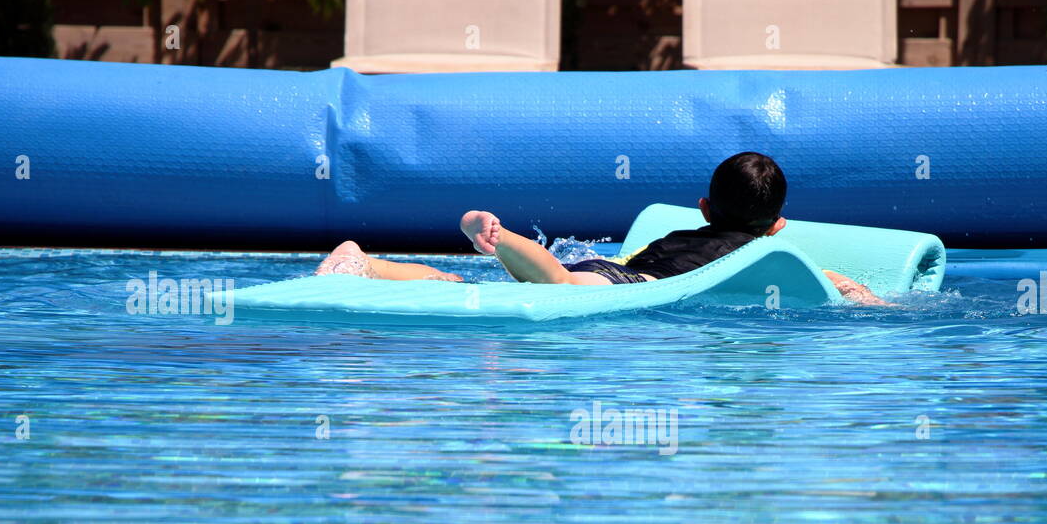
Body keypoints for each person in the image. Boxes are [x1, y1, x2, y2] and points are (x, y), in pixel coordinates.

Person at [315, 152, 886, 304]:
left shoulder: (685, 233)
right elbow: (829, 278)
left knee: (474, 290)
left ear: (704, 208)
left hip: (618, 267)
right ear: (779, 225)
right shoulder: (763, 252)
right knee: (555, 285)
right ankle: (500, 237)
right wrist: (868, 298)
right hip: (625, 286)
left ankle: (363, 264)